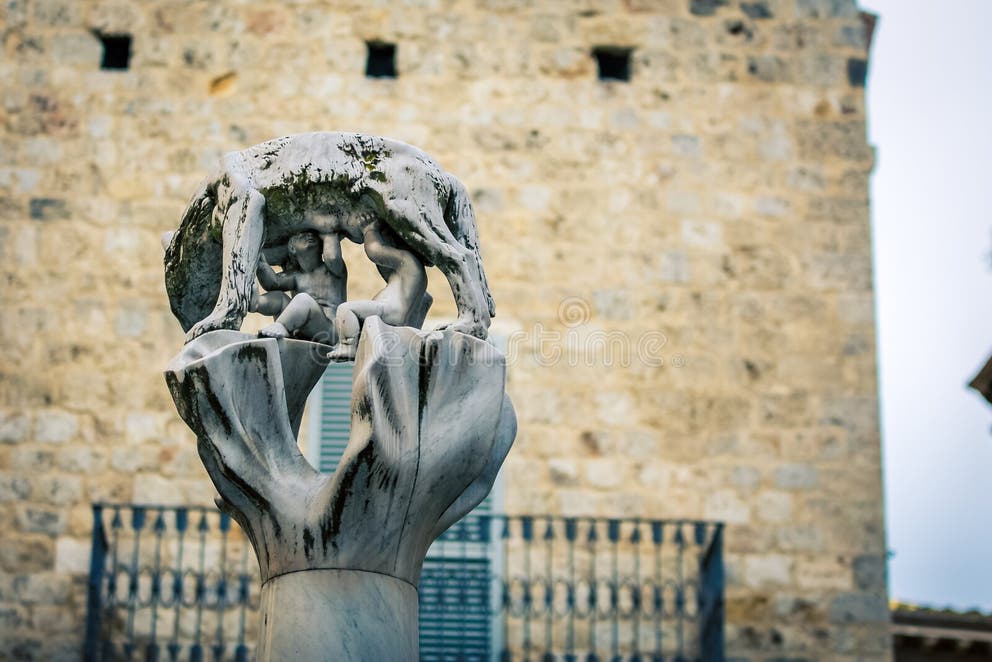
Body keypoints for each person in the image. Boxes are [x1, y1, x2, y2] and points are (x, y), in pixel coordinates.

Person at [328, 223, 430, 361]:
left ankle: (348, 346)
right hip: (396, 318)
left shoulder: (408, 260)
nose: (383, 242)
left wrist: (370, 229)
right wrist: (413, 327)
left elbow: (375, 252)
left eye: (384, 237)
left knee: (345, 309)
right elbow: (426, 300)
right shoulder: (412, 273)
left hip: (389, 312)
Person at [254, 231, 347, 344]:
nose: (309, 235)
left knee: (303, 299)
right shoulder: (296, 275)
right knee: (280, 298)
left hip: (329, 331)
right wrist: (260, 262)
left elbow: (332, 257)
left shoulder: (332, 270)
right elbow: (273, 283)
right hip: (302, 330)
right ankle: (255, 303)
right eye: (301, 235)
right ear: (292, 248)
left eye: (314, 234)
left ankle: (281, 325)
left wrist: (328, 232)